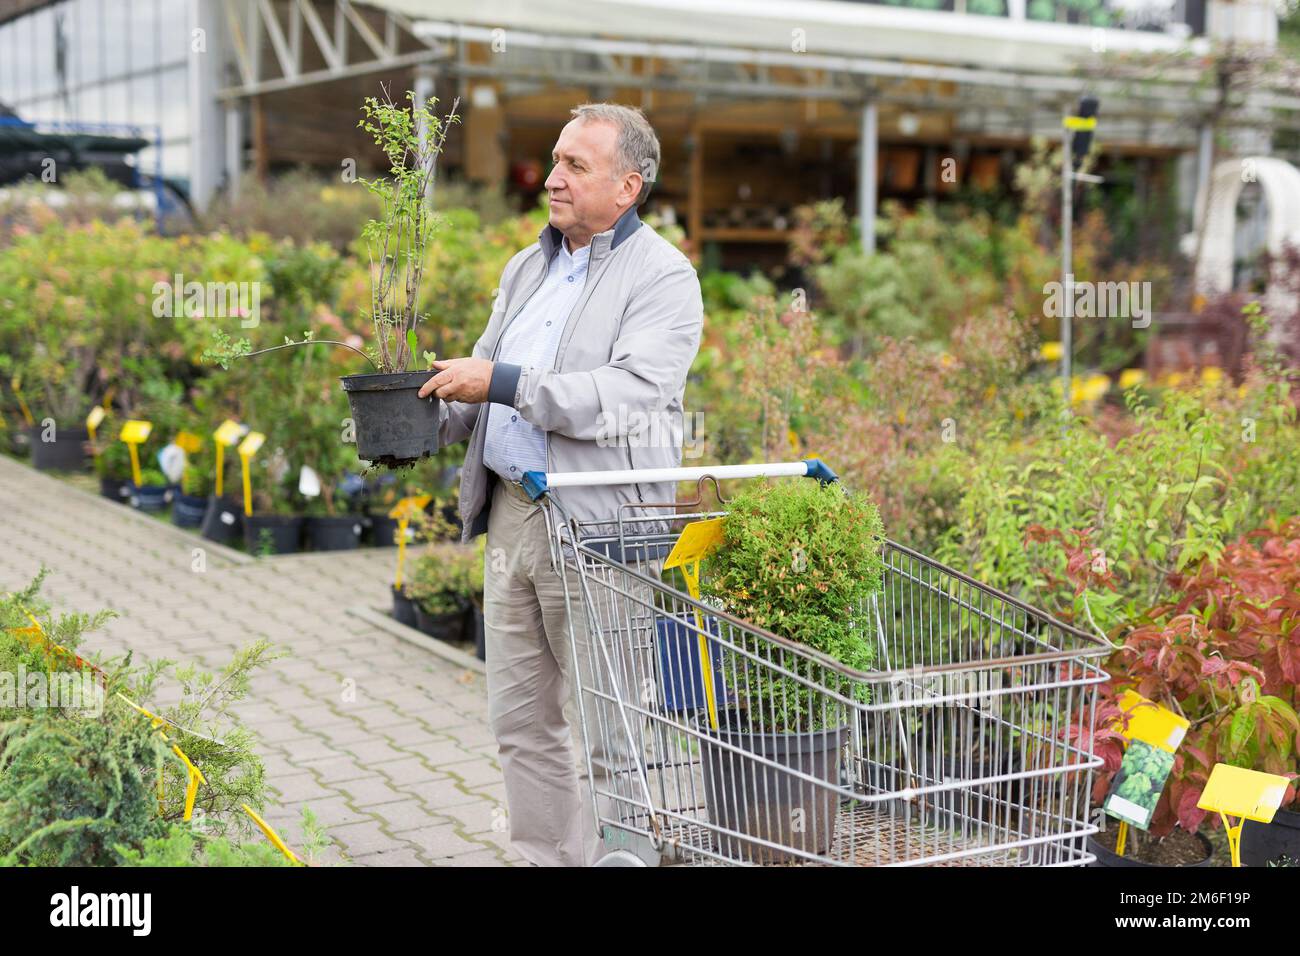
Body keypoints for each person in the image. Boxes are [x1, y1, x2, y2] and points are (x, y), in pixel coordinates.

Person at [418, 102, 704, 866]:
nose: (553, 178)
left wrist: (503, 381)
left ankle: (628, 858)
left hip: (600, 526)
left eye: (577, 165)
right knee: (520, 721)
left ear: (629, 186)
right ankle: (551, 858)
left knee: (610, 731)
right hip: (515, 517)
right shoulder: (527, 266)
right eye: (554, 160)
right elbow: (483, 385)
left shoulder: (664, 278)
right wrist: (423, 415)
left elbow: (626, 397)